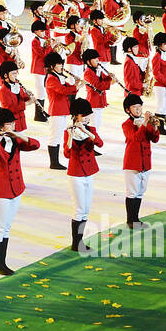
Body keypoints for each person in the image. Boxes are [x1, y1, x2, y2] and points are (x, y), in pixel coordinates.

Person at [0, 107, 39, 275]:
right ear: (1, 126)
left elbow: (35, 145)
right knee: (0, 226)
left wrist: (19, 135)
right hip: (1, 191)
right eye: (10, 124)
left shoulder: (16, 140)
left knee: (6, 227)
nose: (13, 125)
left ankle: (3, 263)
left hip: (17, 188)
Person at [64, 98, 103, 250]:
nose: (87, 118)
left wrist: (85, 130)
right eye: (84, 115)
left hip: (89, 172)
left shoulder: (91, 130)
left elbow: (99, 143)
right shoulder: (68, 131)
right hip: (76, 174)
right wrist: (70, 137)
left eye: (88, 115)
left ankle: (80, 241)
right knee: (79, 208)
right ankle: (76, 243)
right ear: (76, 116)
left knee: (86, 208)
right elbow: (67, 153)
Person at [121, 94, 160, 227]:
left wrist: (154, 126)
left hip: (145, 163)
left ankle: (136, 219)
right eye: (135, 107)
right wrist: (145, 123)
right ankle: (130, 220)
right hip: (133, 163)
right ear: (128, 110)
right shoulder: (126, 124)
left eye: (140, 106)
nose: (138, 110)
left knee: (140, 191)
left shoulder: (146, 122)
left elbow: (154, 139)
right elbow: (135, 137)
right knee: (132, 192)